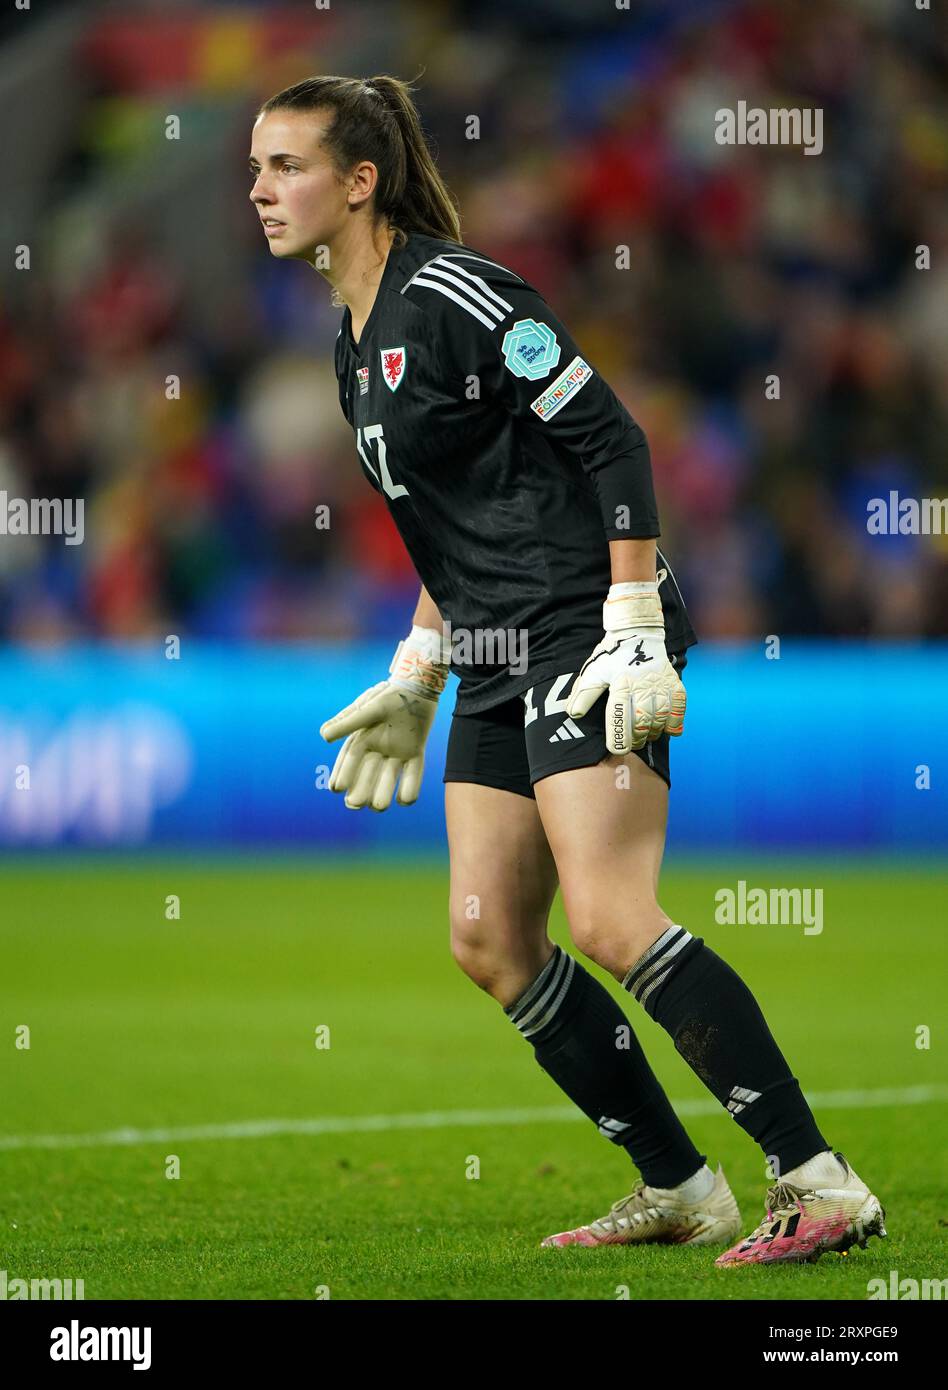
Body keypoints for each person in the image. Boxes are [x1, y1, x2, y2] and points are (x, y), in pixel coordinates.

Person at [249, 73, 886, 1265]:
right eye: (255, 167)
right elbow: (451, 524)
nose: (260, 190)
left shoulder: (456, 293)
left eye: (286, 166)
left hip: (585, 627)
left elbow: (611, 437)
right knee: (490, 937)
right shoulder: (350, 341)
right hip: (492, 648)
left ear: (361, 180)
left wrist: (635, 612)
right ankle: (680, 1186)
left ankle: (819, 1180)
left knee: (609, 914)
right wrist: (422, 664)